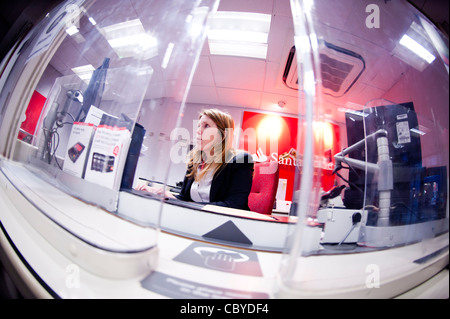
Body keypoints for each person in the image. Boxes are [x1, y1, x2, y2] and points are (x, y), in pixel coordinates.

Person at [136, 109, 254, 210]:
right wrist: (162, 193)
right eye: (198, 126)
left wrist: (188, 206)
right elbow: (184, 197)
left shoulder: (241, 160)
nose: (198, 131)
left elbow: (233, 205)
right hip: (194, 218)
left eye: (206, 126)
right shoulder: (195, 161)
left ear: (222, 135)